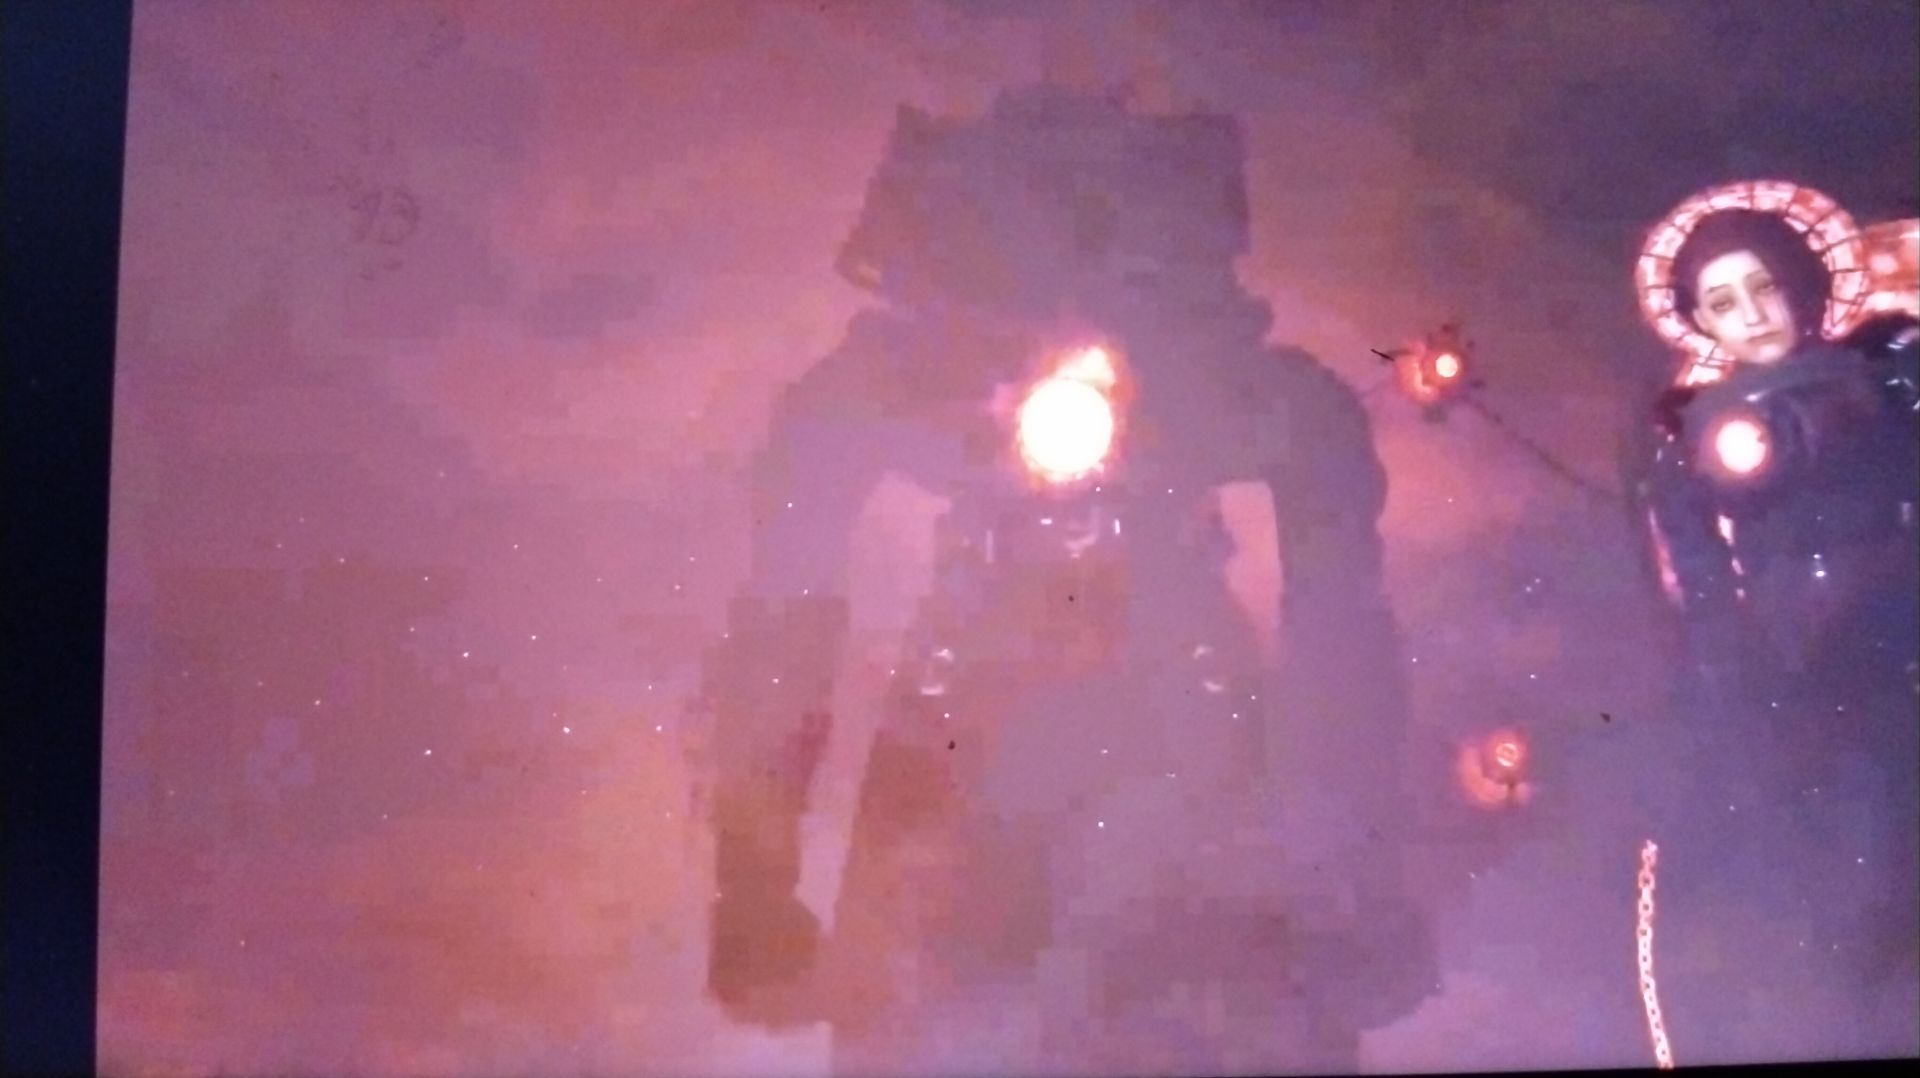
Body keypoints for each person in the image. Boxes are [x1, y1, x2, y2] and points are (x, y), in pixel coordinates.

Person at [695, 85, 1439, 1076]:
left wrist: (1354, 885)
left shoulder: (1252, 400)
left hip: (1175, 758)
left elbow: (1340, 638)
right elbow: (785, 617)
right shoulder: (893, 386)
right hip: (978, 768)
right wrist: (753, 885)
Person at [1628, 206, 1920, 1065]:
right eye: (1723, 303)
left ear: (1799, 286)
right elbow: (1703, 584)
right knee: (1839, 883)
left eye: (1764, 288)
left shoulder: (1883, 380)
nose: (1753, 315)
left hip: (1900, 631)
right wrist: (1729, 684)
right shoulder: (1692, 434)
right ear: (1700, 321)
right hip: (1799, 668)